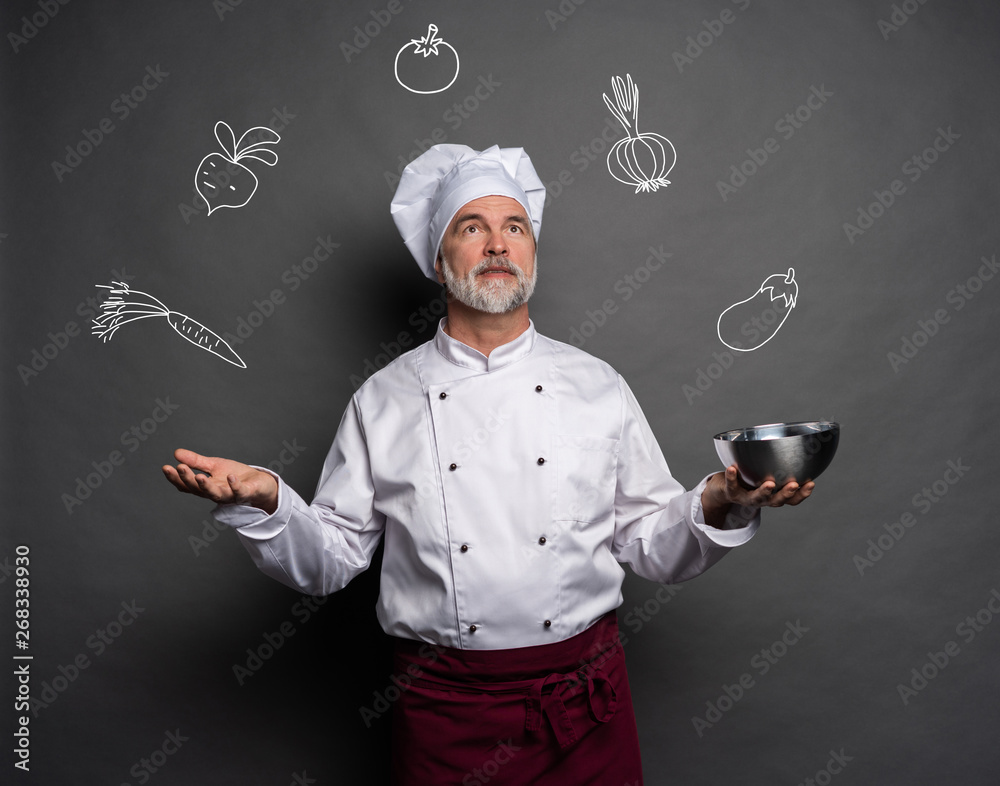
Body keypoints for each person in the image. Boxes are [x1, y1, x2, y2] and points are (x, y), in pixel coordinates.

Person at [162, 144, 813, 784]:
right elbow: (331, 557)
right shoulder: (384, 399)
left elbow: (650, 544)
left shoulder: (598, 386)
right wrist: (267, 500)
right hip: (447, 712)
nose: (498, 245)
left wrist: (724, 499)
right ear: (439, 263)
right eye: (472, 227)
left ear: (532, 253)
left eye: (514, 228)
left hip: (582, 708)